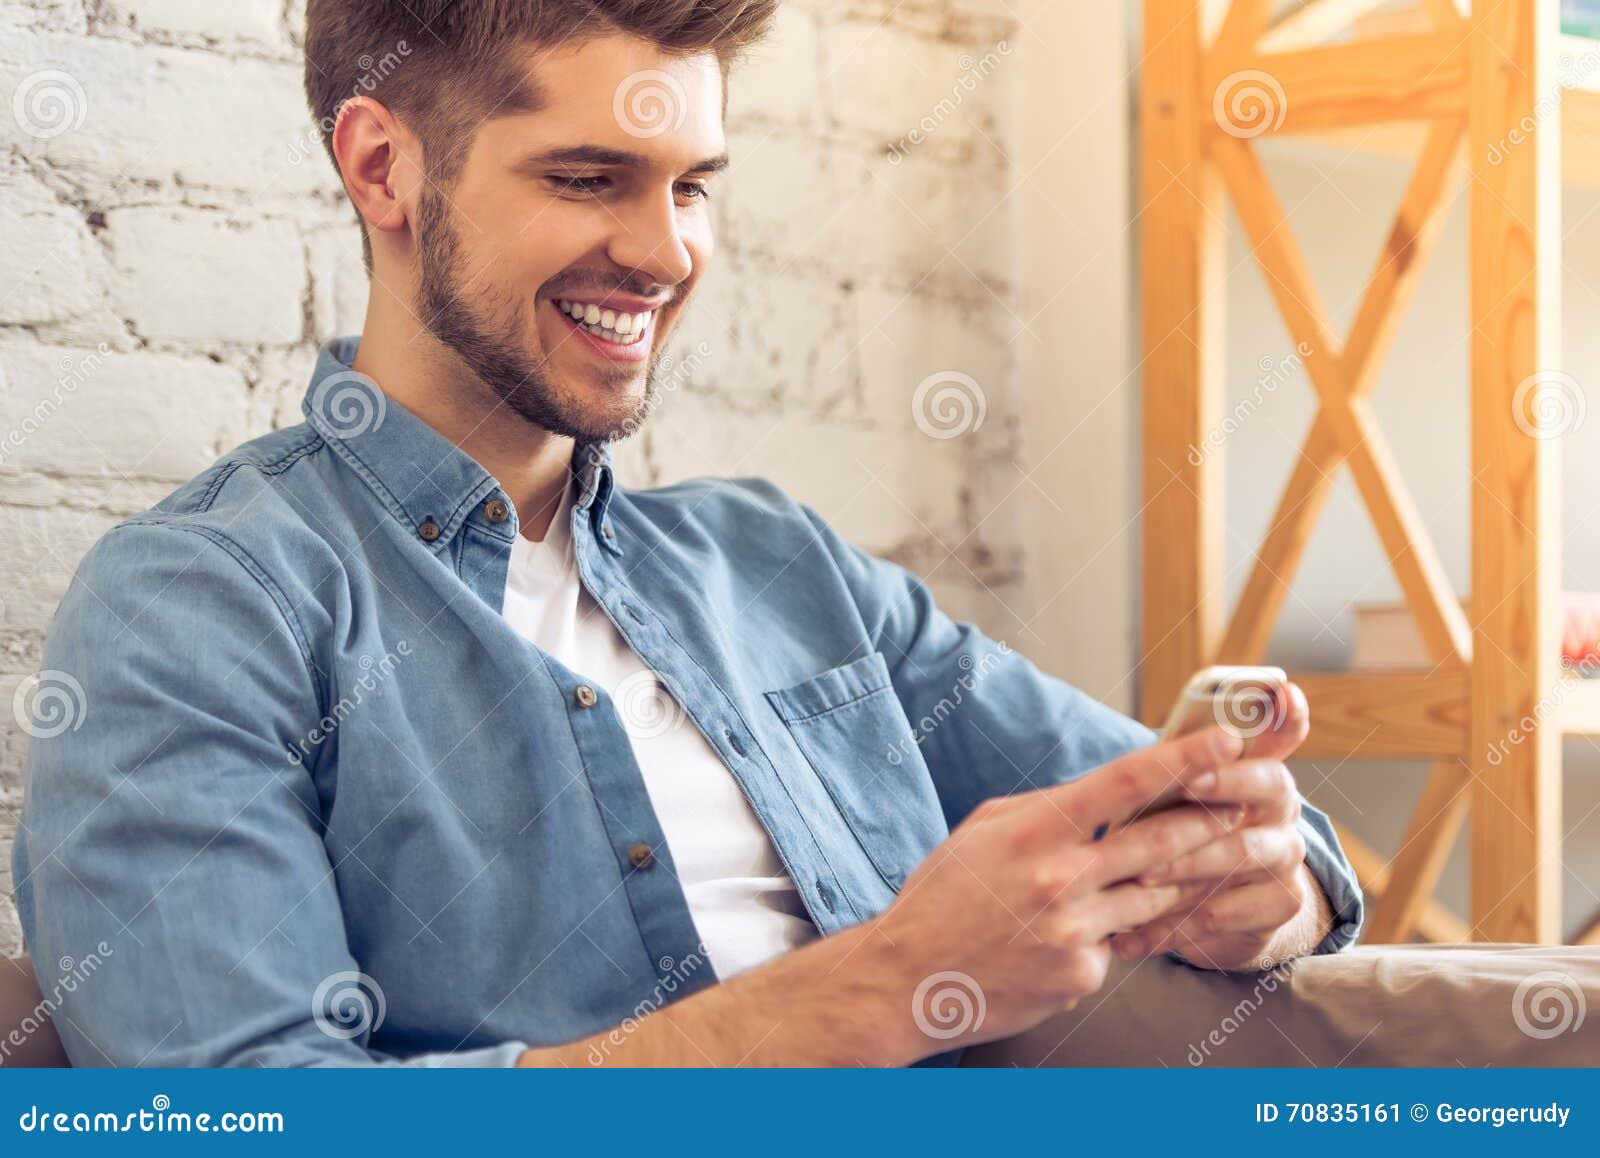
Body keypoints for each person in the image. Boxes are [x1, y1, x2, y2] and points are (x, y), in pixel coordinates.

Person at [11, 0, 1362, 1068]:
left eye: (694, 186)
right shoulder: (202, 608)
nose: (665, 254)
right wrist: (890, 985)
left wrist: (1264, 884)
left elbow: (1227, 828)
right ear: (383, 167)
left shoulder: (778, 565)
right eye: (592, 177)